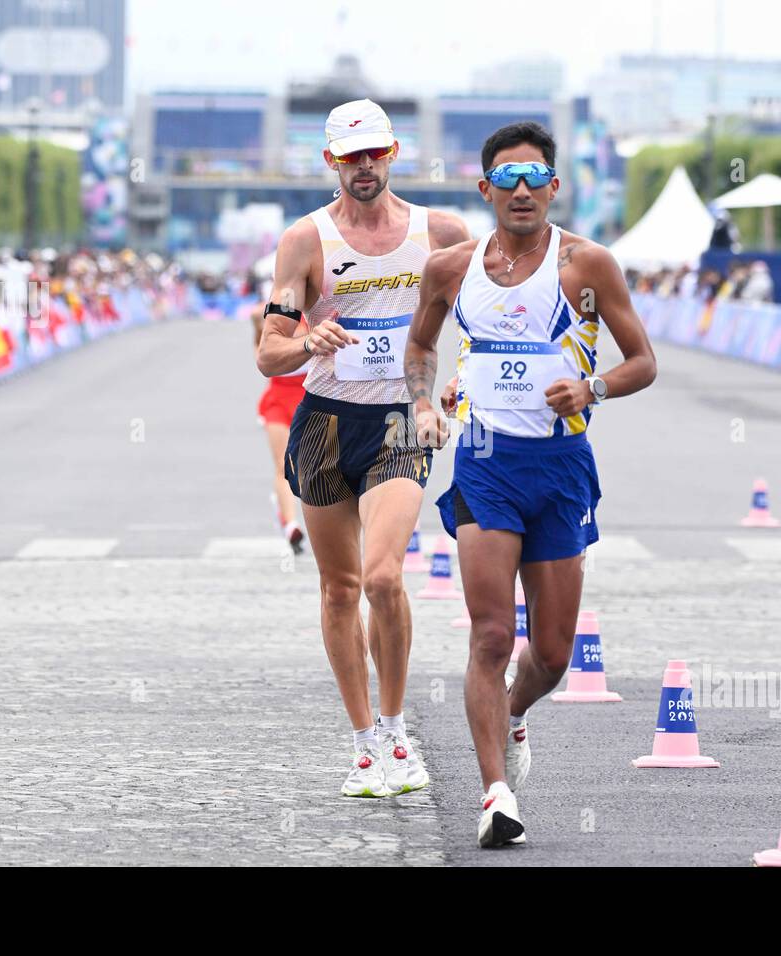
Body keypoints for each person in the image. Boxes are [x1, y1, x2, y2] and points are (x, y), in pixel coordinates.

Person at [404, 121, 657, 847]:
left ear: (554, 186)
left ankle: (515, 712)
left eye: (534, 177)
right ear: (484, 189)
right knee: (490, 634)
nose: (522, 191)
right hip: (485, 461)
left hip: (561, 466)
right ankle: (494, 796)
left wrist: (593, 388)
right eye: (506, 179)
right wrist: (424, 404)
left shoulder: (588, 265)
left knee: (551, 652)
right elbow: (420, 345)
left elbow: (642, 360)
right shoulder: (451, 268)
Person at [255, 99, 470, 798]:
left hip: (398, 425)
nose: (366, 167)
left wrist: (450, 394)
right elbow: (268, 353)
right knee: (340, 587)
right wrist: (303, 341)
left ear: (394, 152)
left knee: (382, 578)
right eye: (352, 157)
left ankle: (398, 726)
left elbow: (484, 326)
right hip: (324, 424)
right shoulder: (305, 241)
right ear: (331, 163)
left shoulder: (441, 232)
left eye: (375, 153)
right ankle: (365, 745)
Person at [251, 276, 307, 555]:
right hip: (278, 399)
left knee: (309, 466)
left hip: (307, 397)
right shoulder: (267, 320)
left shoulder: (314, 315)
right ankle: (291, 525)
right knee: (283, 465)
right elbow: (260, 359)